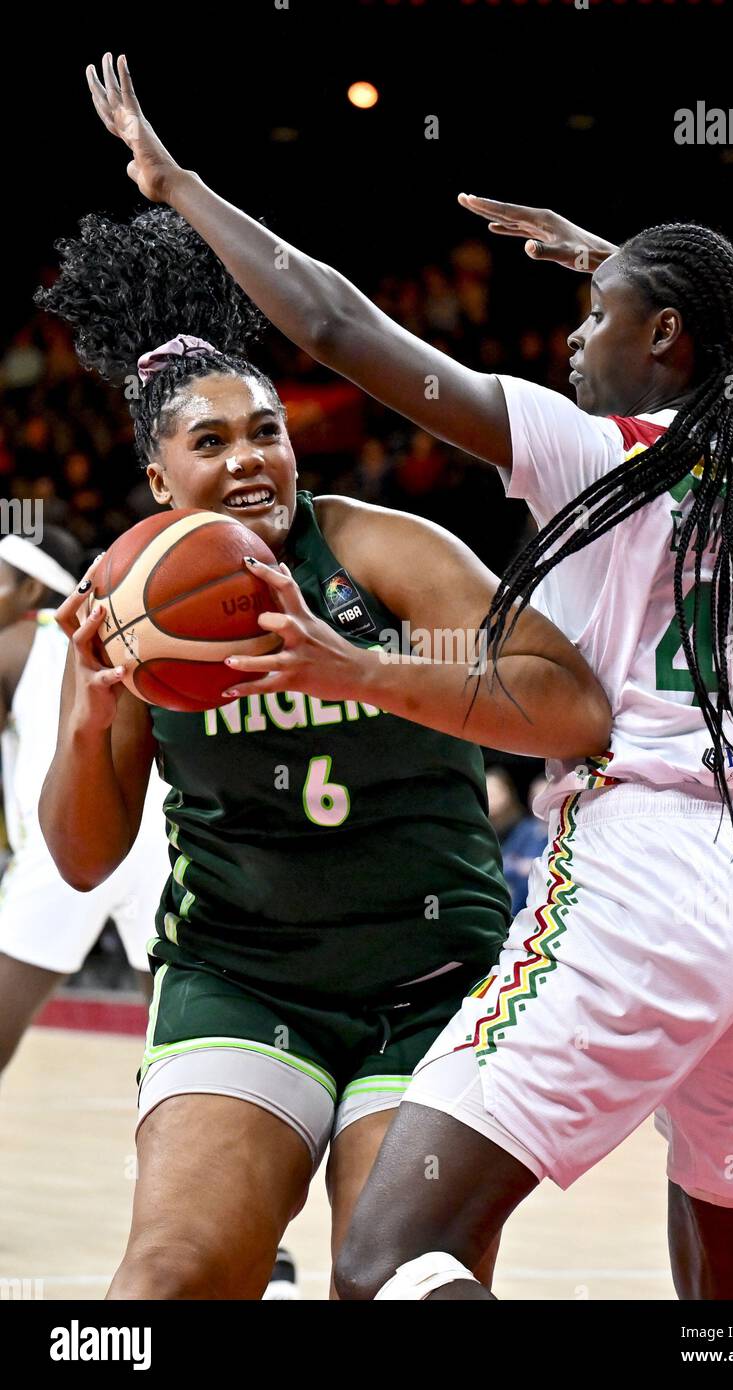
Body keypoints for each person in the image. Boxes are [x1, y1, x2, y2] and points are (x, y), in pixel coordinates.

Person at [82, 55, 733, 1302]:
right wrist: (612, 260)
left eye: (598, 321)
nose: (571, 339)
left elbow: (332, 325)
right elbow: (709, 345)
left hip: (640, 870)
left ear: (661, 338)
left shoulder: (591, 451)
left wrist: (183, 186)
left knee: (383, 1254)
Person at [35, 64, 610, 1303]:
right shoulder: (134, 610)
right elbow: (84, 859)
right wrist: (94, 704)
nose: (251, 459)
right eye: (213, 441)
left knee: (388, 1277)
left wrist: (363, 667)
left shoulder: (381, 556)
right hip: (240, 974)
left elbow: (567, 706)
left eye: (268, 432)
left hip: (430, 974)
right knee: (166, 1281)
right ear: (156, 478)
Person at [0, 528, 169, 1079]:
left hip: (67, 844)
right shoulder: (119, 635)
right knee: (172, 1040)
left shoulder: (15, 644)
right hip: (157, 840)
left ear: (31, 591)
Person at [485, 766, 547, 914]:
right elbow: (502, 862)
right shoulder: (527, 828)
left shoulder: (519, 823)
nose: (539, 803)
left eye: (544, 797)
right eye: (534, 797)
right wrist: (519, 866)